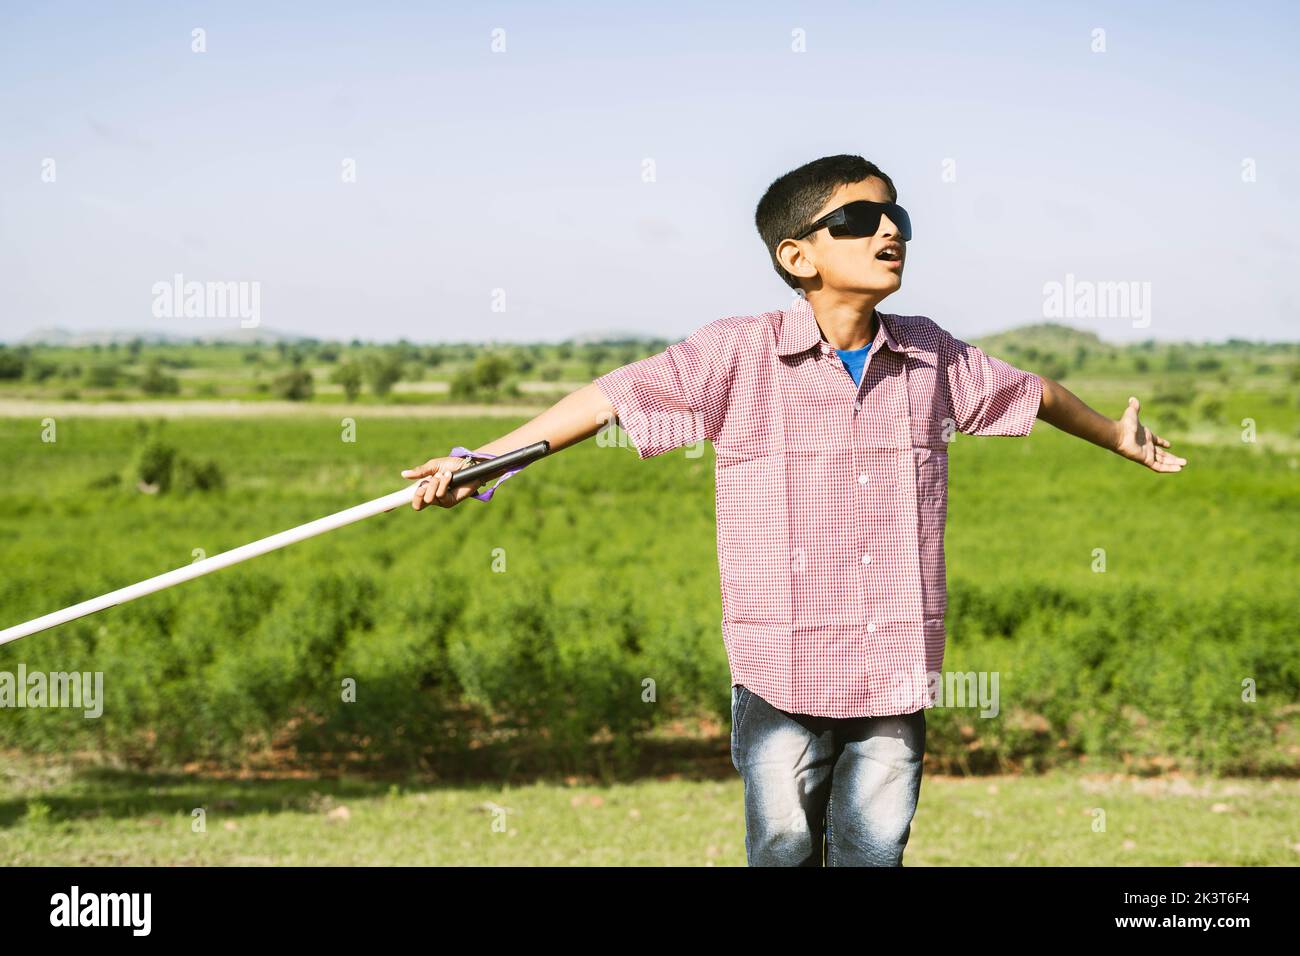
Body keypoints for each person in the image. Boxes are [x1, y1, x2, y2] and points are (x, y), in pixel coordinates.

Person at [400, 154, 1187, 866]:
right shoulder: (738, 352)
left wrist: (1113, 436)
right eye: (859, 219)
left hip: (894, 662)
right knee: (783, 850)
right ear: (797, 256)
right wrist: (482, 462)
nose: (888, 230)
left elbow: (1033, 392)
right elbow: (611, 397)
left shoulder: (930, 353)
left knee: (874, 851)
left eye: (896, 217)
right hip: (781, 665)